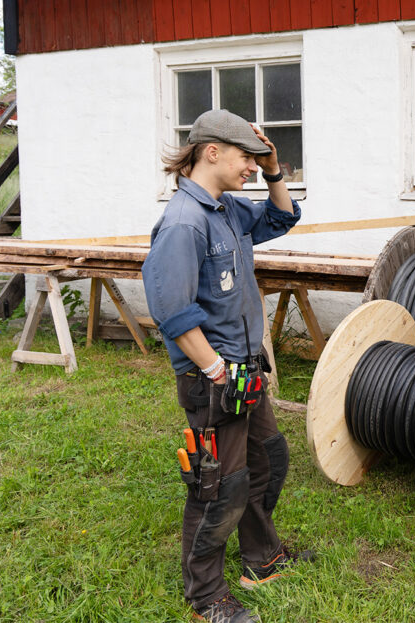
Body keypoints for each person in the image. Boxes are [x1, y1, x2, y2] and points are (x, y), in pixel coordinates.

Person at [142, 109, 309, 622]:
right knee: (218, 485)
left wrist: (276, 167)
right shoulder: (182, 222)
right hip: (212, 378)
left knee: (267, 460)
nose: (253, 170)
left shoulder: (228, 210)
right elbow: (173, 312)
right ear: (211, 151)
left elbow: (283, 217)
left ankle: (260, 559)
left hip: (243, 369)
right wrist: (218, 372)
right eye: (246, 158)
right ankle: (206, 597)